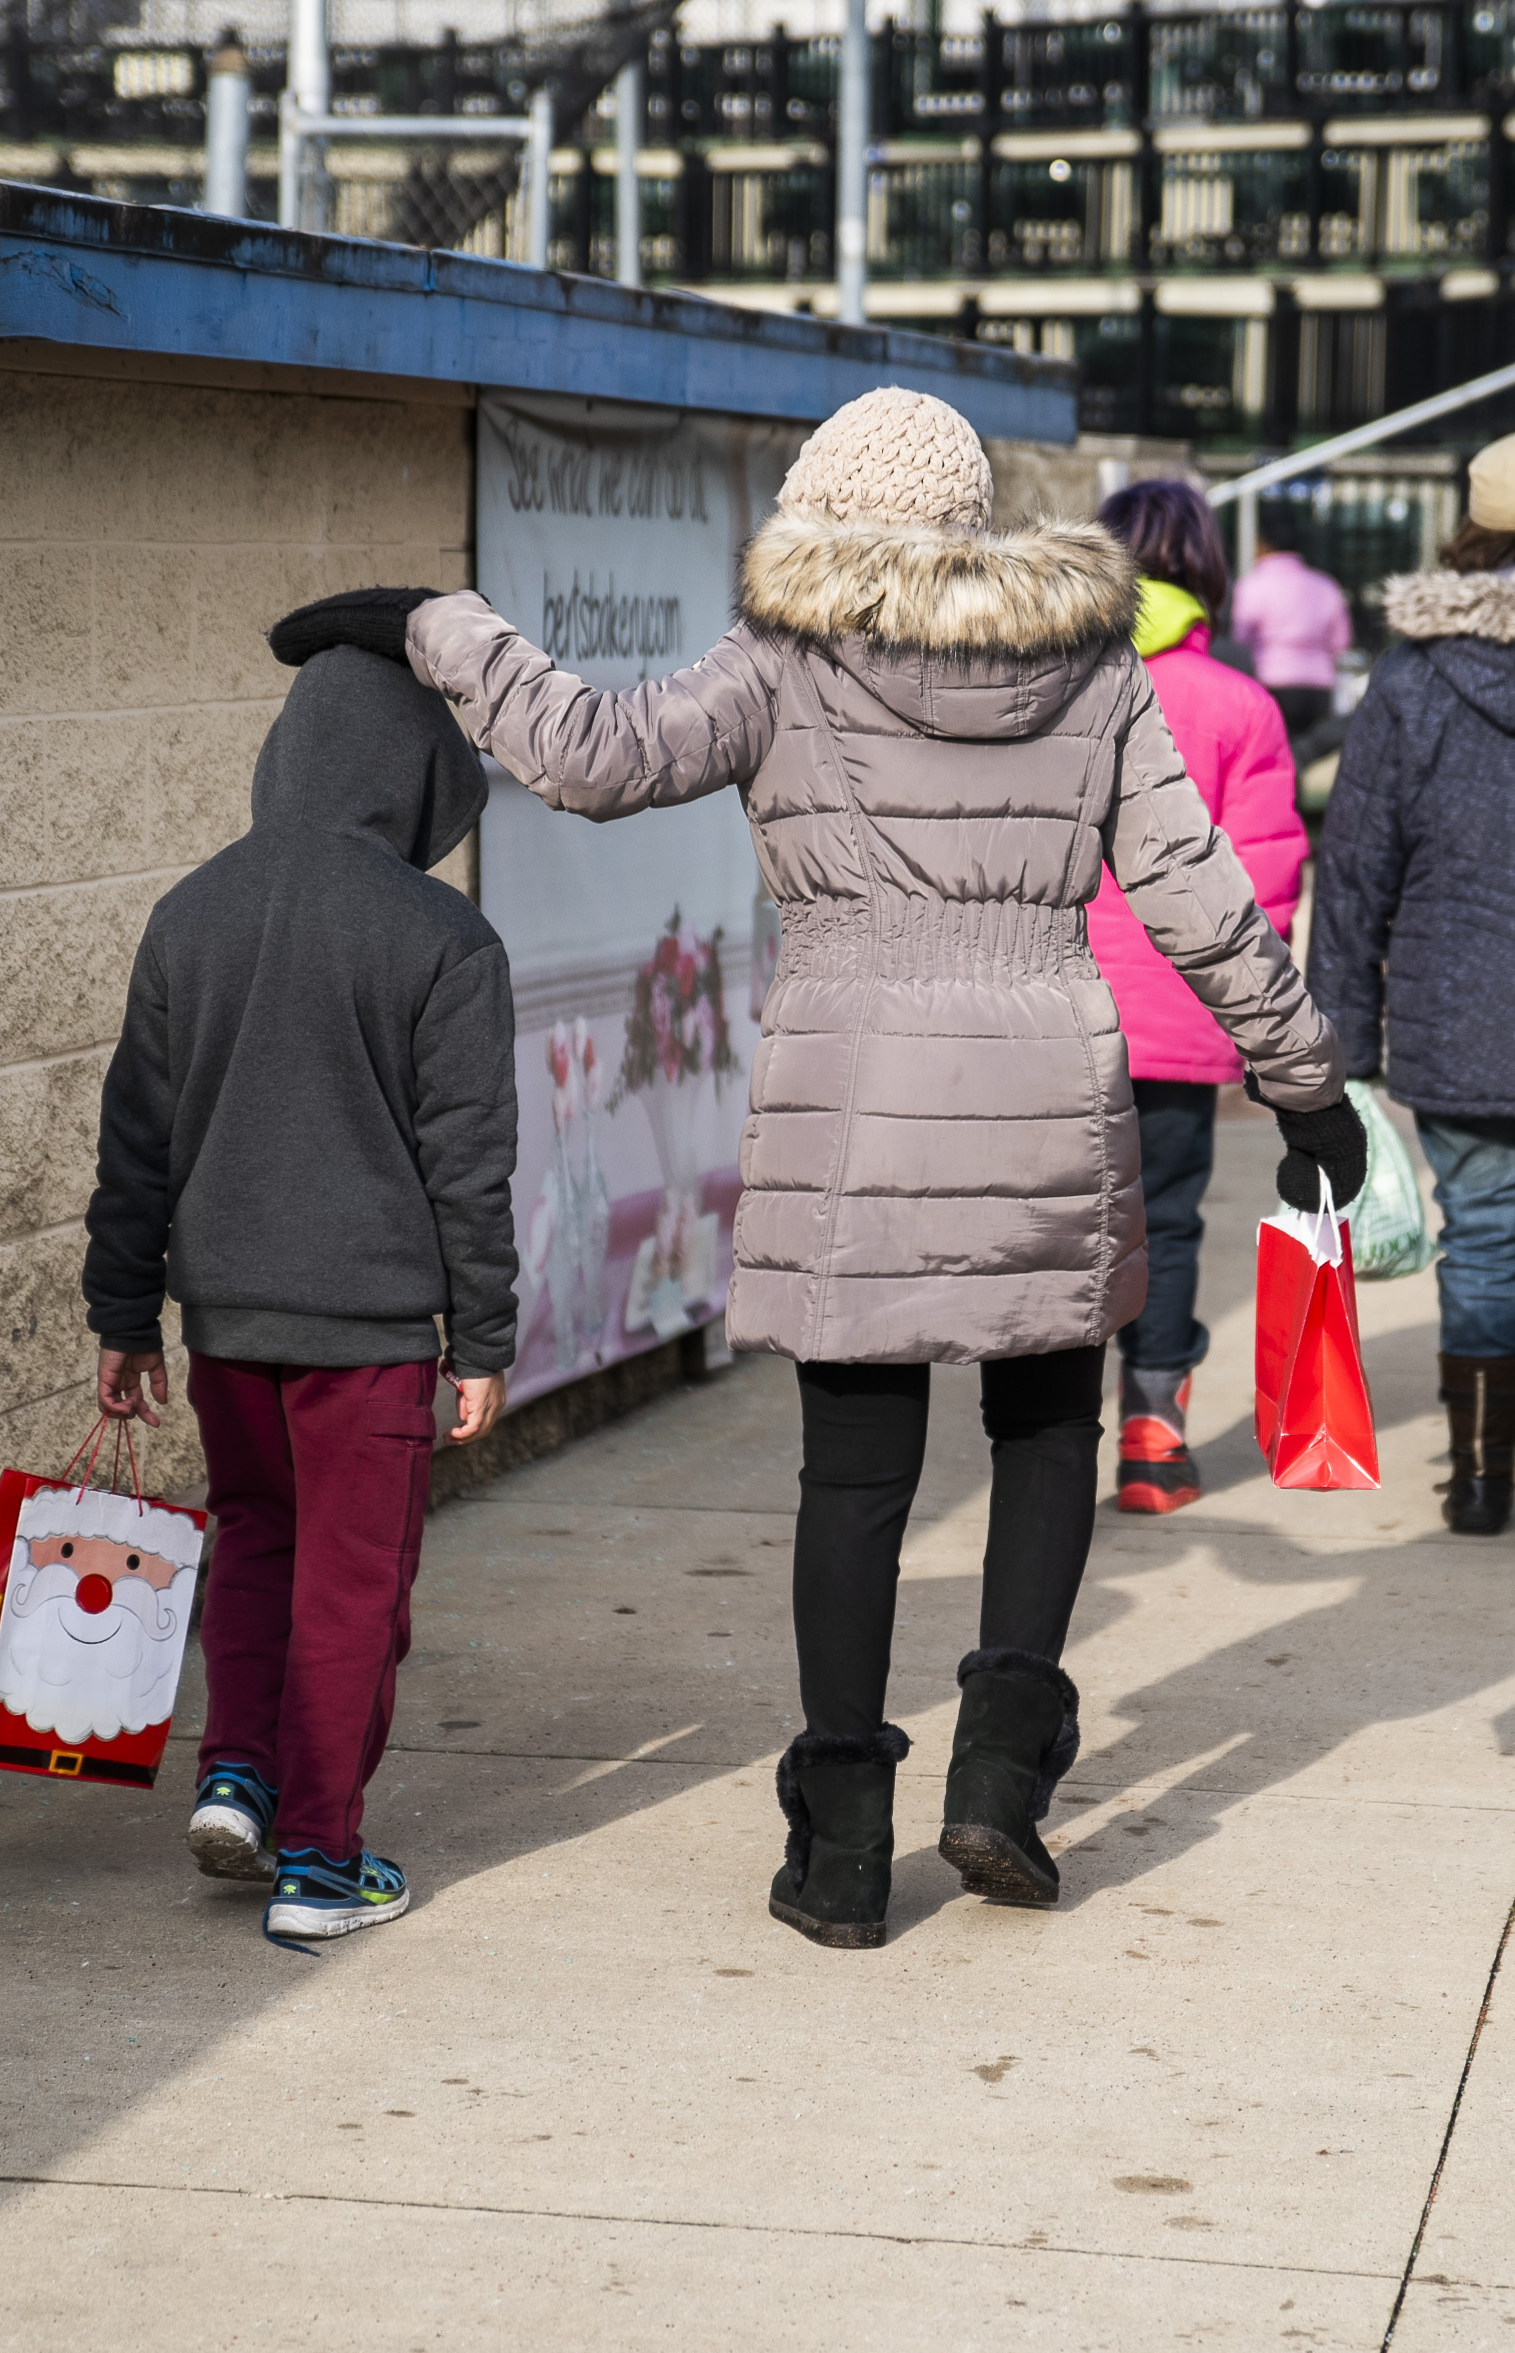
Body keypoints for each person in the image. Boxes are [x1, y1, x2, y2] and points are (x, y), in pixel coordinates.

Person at [275, 387, 1365, 1951]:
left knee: (856, 1471)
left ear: (822, 513)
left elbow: (593, 754)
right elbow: (1199, 901)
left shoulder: (781, 659)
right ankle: (1000, 1770)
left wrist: (441, 627)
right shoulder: (1097, 668)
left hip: (851, 1093)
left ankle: (843, 1842)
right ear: (972, 521)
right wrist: (1308, 1085)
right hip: (1049, 1087)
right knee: (1049, 1426)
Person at [82, 644, 519, 1942]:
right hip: (370, 1333)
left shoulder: (188, 914)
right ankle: (323, 1859)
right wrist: (482, 1337)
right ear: (419, 780)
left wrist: (123, 1311)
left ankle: (239, 1772)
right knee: (352, 1581)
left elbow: (136, 1141)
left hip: (225, 1321)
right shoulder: (443, 934)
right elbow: (470, 1164)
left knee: (259, 1540)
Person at [1309, 432, 1515, 1536]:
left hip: (1457, 1010)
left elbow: (1353, 866)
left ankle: (1481, 1475)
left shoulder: (1415, 674)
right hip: (1462, 1007)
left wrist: (1332, 1046)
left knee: (1478, 1232)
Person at [1092, 480, 1310, 1511]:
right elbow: (1261, 888)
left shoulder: (1046, 689)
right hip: (1180, 1018)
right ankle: (1150, 1439)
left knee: (1051, 1228)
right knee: (1165, 1223)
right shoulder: (1240, 707)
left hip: (1052, 1018)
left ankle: (1043, 1439)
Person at [1230, 498, 1353, 744]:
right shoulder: (1326, 585)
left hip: (1270, 683)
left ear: (1262, 546)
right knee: (1303, 758)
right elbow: (1341, 643)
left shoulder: (1252, 586)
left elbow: (1239, 640)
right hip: (1318, 687)